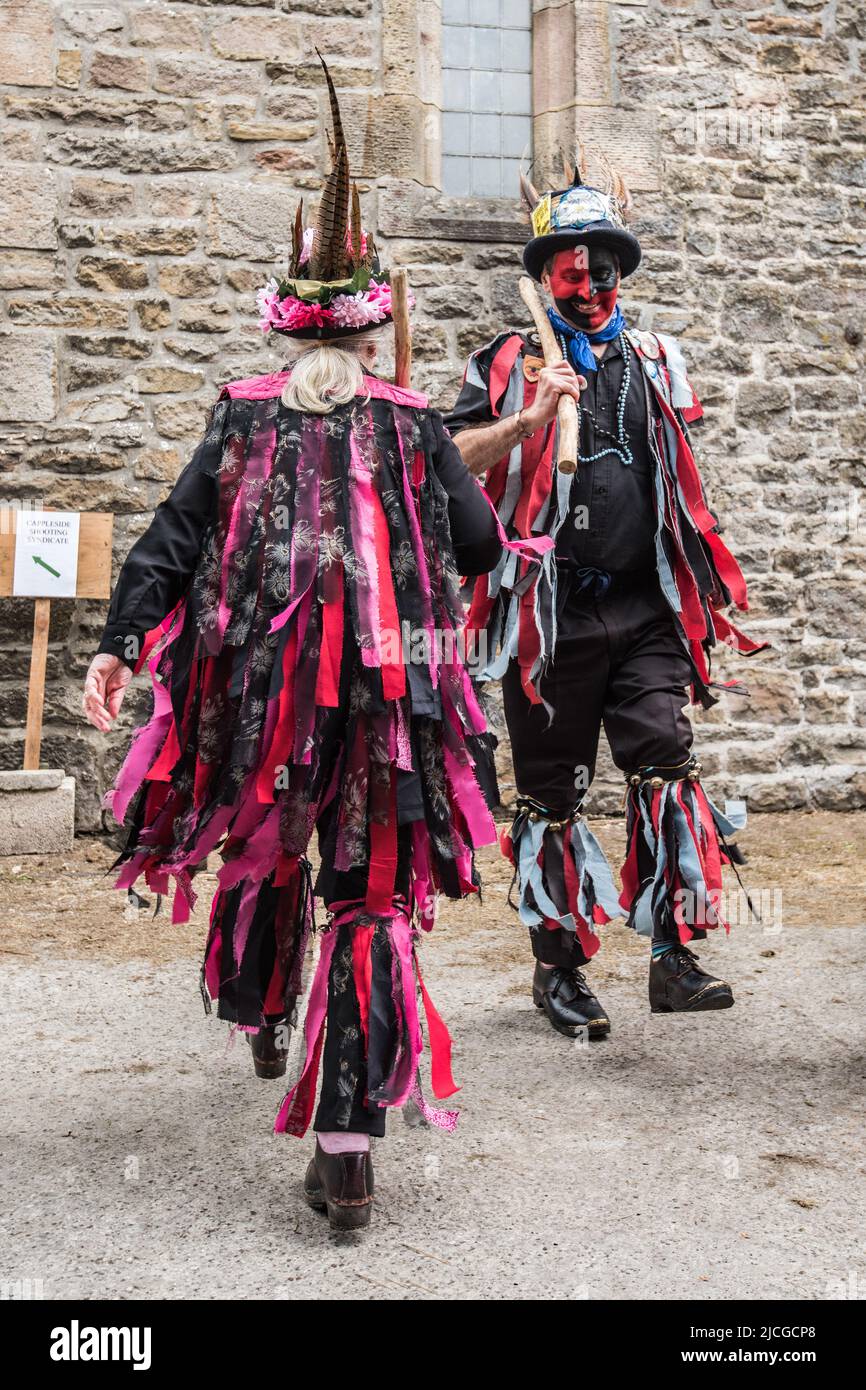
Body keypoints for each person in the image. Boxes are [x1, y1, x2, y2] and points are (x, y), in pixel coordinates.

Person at [82, 57, 542, 1231]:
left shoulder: (242, 409)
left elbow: (177, 531)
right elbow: (484, 546)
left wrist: (124, 638)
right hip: (390, 718)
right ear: (372, 321)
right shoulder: (409, 423)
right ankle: (347, 1150)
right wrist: (482, 547)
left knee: (269, 846)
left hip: (252, 708)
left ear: (285, 332)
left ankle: (264, 1011)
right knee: (364, 891)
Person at [444, 155, 767, 1040]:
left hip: (645, 606)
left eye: (605, 265)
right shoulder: (506, 364)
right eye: (571, 268)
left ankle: (673, 954)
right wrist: (529, 419)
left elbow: (678, 477)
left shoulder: (658, 360)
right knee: (553, 790)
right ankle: (560, 972)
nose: (590, 283)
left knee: (665, 761)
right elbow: (447, 469)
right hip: (548, 617)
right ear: (542, 276)